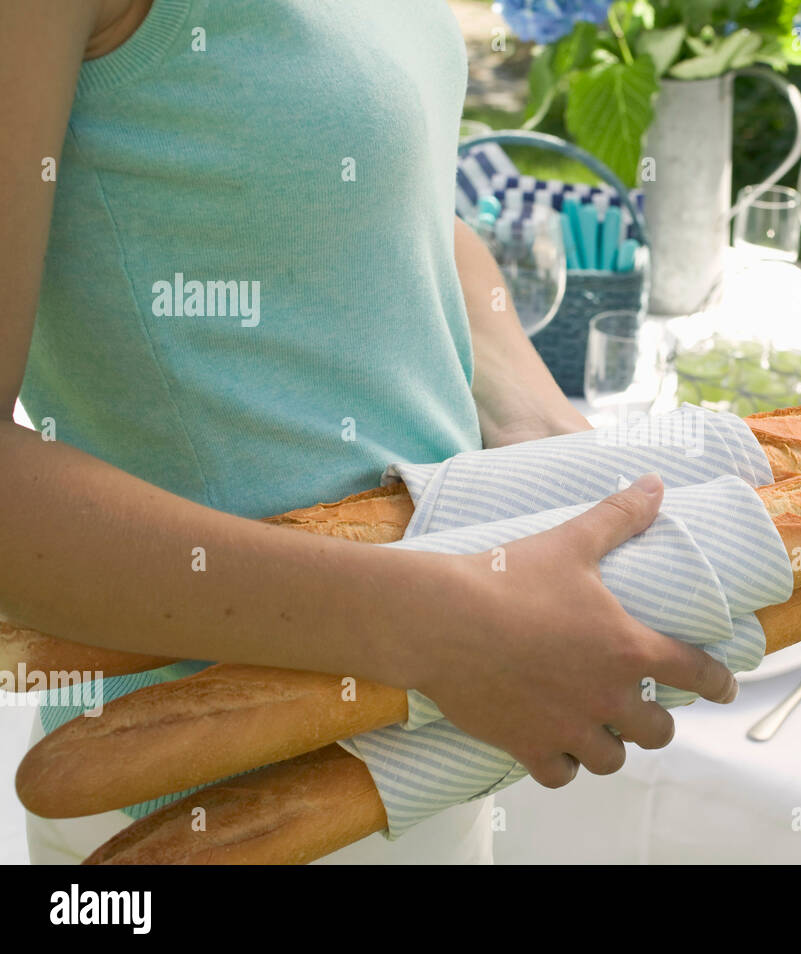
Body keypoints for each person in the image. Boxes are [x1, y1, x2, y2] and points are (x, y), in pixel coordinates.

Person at [1, 0, 738, 863]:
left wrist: (555, 451)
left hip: (431, 755)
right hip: (208, 808)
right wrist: (442, 628)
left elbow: (407, 208)